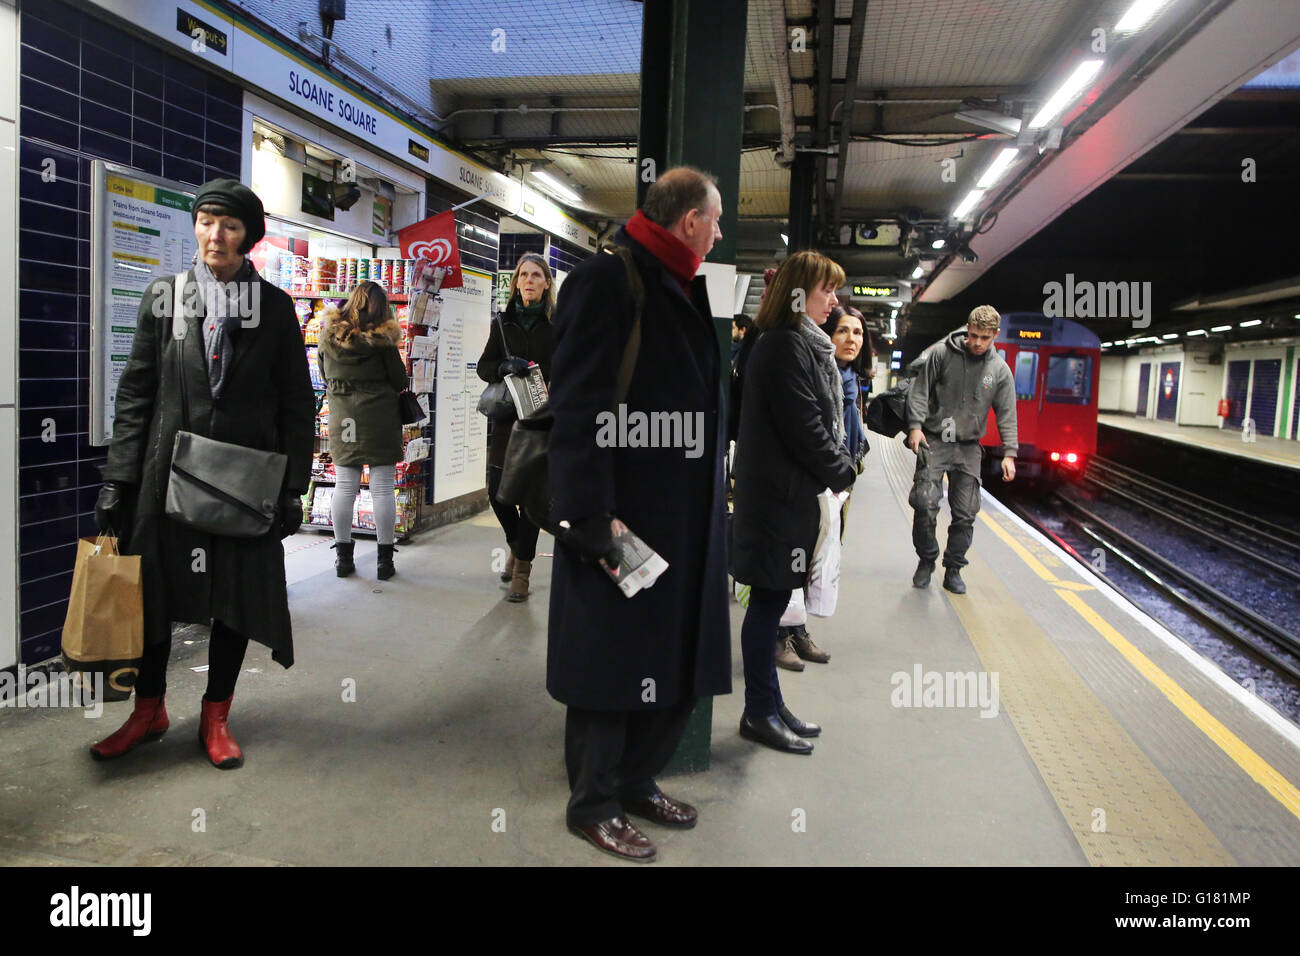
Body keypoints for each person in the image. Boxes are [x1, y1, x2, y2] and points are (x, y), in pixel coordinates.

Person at [91, 179, 315, 769]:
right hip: (164, 475)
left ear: (249, 237)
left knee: (234, 597)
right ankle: (148, 710)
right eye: (207, 220)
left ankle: (216, 716)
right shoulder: (165, 295)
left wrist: (295, 486)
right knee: (155, 597)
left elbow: (297, 400)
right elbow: (136, 391)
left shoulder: (274, 307)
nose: (216, 235)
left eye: (230, 225)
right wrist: (119, 477)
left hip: (243, 479)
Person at [546, 166, 731, 862]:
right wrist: (593, 517)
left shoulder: (677, 283)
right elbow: (578, 406)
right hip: (621, 518)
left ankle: (635, 779)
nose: (719, 233)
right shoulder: (611, 278)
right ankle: (592, 803)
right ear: (689, 221)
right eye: (715, 220)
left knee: (670, 656)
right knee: (608, 666)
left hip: (682, 519)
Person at [730, 250, 856, 754]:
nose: (834, 301)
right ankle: (758, 711)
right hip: (775, 503)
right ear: (801, 293)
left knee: (774, 602)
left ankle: (769, 703)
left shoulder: (795, 344)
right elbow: (806, 426)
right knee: (766, 606)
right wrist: (844, 470)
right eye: (827, 290)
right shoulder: (784, 345)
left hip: (785, 498)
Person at [905, 304, 1018, 594]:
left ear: (995, 335)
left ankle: (953, 568)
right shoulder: (942, 355)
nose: (977, 343)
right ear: (967, 330)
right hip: (936, 439)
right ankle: (926, 560)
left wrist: (1009, 453)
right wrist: (915, 426)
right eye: (973, 335)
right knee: (924, 503)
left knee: (966, 512)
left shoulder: (999, 371)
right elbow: (920, 390)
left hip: (968, 448)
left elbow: (1007, 412)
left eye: (984, 337)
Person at [476, 253, 556, 601]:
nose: (528, 280)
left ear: (546, 283)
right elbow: (484, 366)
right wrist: (504, 365)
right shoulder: (503, 322)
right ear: (516, 283)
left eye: (536, 275)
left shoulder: (557, 324)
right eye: (523, 275)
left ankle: (522, 571)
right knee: (498, 493)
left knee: (533, 498)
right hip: (508, 421)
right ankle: (516, 544)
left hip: (542, 421)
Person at [318, 281, 408, 579]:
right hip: (380, 416)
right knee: (382, 488)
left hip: (344, 417)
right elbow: (399, 381)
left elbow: (323, 373)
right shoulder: (382, 341)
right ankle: (385, 562)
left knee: (345, 487)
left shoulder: (328, 337)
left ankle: (343, 559)